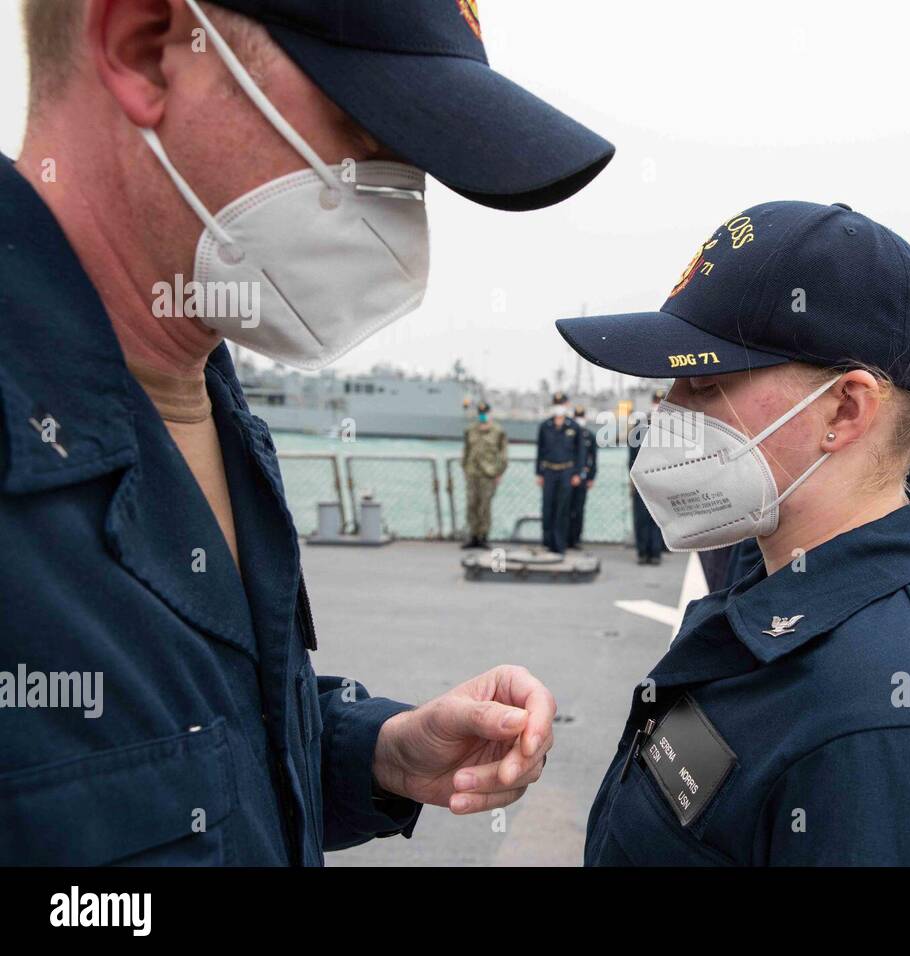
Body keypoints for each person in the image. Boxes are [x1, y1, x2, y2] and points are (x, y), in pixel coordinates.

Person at [0, 0, 601, 864]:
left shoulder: (210, 404)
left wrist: (379, 750)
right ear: (145, 49)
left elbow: (195, 741)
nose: (400, 207)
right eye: (365, 128)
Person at [556, 200, 910, 865]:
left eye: (706, 379)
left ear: (846, 409)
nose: (671, 410)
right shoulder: (770, 596)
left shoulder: (897, 738)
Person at [535, 391, 585, 554]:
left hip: (566, 472)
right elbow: (540, 451)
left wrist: (577, 473)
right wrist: (539, 473)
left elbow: (580, 453)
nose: (559, 408)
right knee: (547, 507)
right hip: (549, 471)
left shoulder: (574, 427)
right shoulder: (545, 426)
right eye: (556, 405)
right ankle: (547, 542)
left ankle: (559, 544)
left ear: (566, 405)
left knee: (563, 509)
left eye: (561, 405)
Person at [462, 400, 508, 549]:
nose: (483, 416)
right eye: (480, 414)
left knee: (485, 506)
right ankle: (473, 535)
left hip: (488, 475)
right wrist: (464, 468)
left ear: (490, 414)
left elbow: (503, 454)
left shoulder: (498, 431)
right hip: (472, 473)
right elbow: (466, 450)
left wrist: (499, 472)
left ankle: (484, 536)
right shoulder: (470, 430)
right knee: (471, 505)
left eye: (485, 413)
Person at [629, 390, 667, 565]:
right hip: (642, 477)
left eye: (661, 401)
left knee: (659, 517)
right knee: (641, 517)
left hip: (662, 477)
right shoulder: (640, 424)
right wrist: (632, 477)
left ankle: (656, 553)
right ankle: (643, 552)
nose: (658, 404)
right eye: (656, 400)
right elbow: (633, 453)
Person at [567, 404, 598, 548]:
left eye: (581, 417)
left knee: (579, 510)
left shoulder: (589, 436)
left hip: (583, 477)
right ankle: (565, 539)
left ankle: (576, 539)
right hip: (568, 476)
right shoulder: (568, 434)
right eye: (577, 417)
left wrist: (591, 477)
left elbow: (593, 458)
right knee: (566, 509)